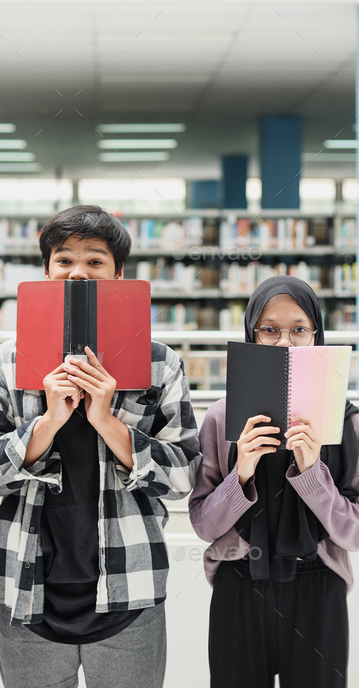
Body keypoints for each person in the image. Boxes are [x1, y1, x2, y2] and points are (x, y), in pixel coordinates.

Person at [0, 205, 201, 688]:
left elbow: (182, 478)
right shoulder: (8, 361)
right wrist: (48, 422)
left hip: (128, 589)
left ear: (118, 273)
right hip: (27, 590)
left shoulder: (159, 364)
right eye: (64, 260)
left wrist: (106, 420)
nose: (78, 272)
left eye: (95, 260)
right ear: (46, 271)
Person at [189, 275, 359, 688]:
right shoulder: (221, 417)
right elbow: (204, 526)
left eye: (299, 330)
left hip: (319, 583)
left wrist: (312, 473)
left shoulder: (347, 421)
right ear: (252, 335)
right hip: (239, 582)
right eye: (270, 330)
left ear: (317, 335)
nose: (285, 343)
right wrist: (241, 472)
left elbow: (354, 534)